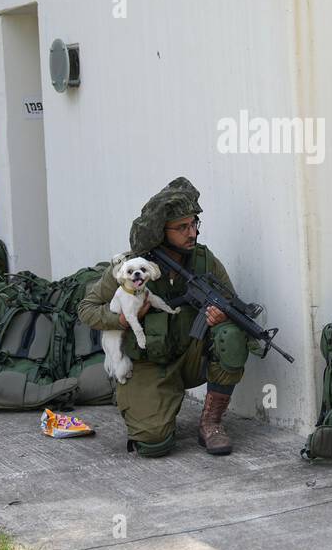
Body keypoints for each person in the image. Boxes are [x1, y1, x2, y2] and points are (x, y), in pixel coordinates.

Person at [77, 177, 264, 457]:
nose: (192, 233)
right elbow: (86, 309)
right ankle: (157, 406)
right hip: (148, 363)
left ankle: (210, 423)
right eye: (182, 227)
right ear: (160, 232)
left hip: (191, 355)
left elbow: (228, 302)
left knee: (231, 334)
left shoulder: (204, 260)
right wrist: (122, 320)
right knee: (153, 444)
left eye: (194, 224)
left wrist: (221, 318)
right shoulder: (132, 266)